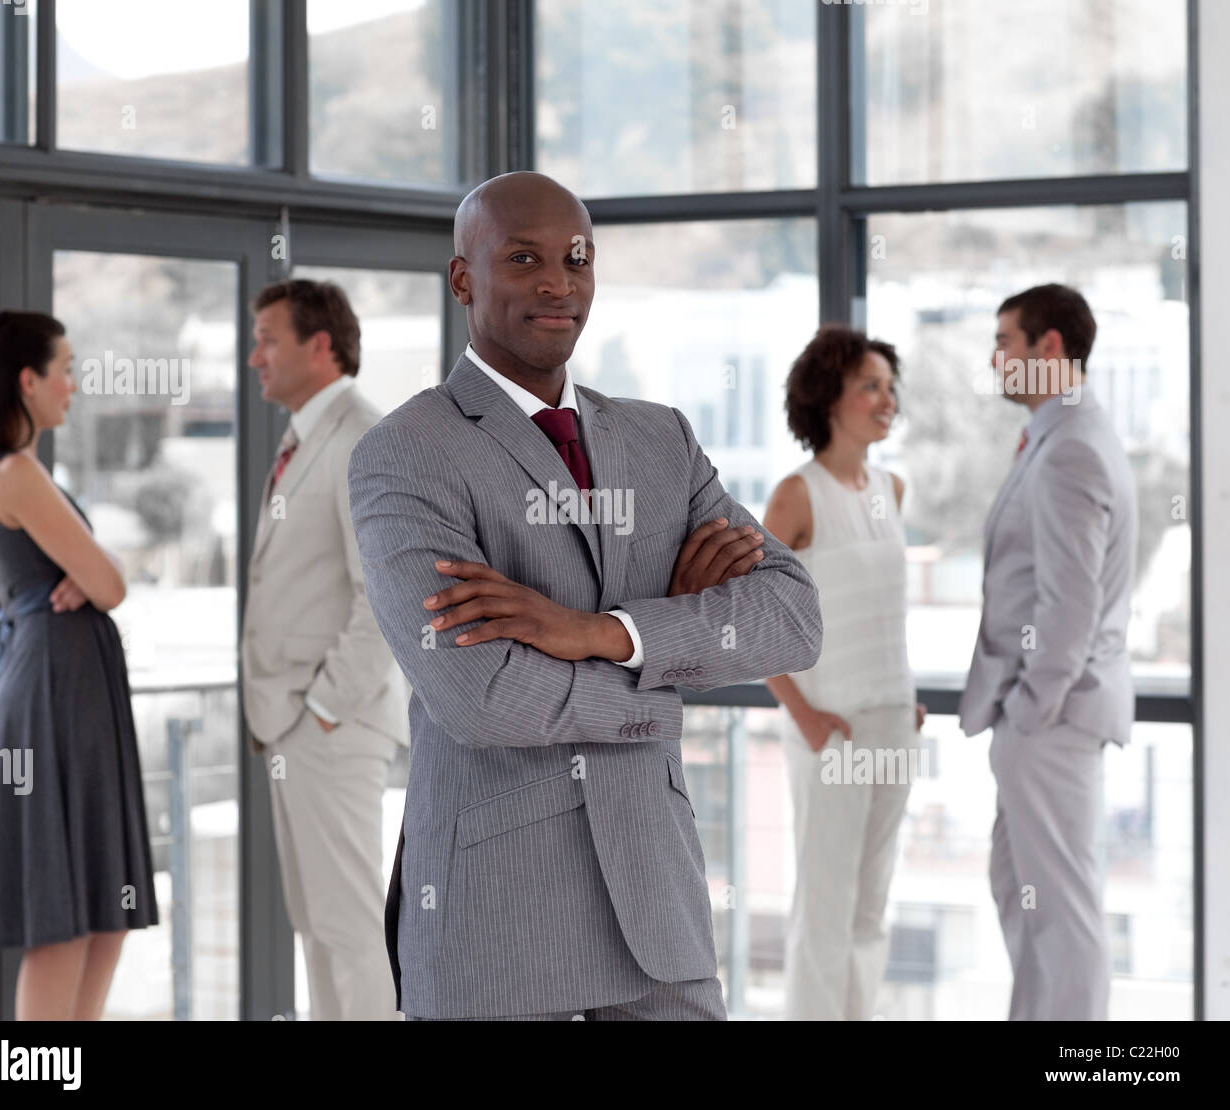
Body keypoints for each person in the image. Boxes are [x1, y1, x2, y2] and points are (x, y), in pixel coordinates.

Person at [347, 170, 823, 1021]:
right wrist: (663, 684)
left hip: (662, 927)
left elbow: (792, 616)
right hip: (499, 935)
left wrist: (601, 633)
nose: (557, 282)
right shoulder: (406, 452)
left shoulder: (660, 438)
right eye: (523, 257)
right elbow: (480, 696)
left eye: (577, 258)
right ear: (463, 278)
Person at [0, 309, 158, 1020]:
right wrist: (96, 575)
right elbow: (111, 585)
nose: (74, 383)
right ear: (27, 381)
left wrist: (94, 575)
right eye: (65, 369)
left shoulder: (13, 470)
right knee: (62, 913)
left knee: (101, 908)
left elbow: (99, 581)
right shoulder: (15, 472)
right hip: (54, 690)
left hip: (66, 684)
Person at [958, 283, 1137, 1021]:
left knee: (1062, 913)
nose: (996, 358)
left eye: (1006, 342)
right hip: (1043, 717)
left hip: (1052, 720)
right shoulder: (1060, 438)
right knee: (1024, 895)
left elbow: (1071, 604)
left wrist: (1030, 713)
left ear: (1050, 348)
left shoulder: (1072, 451)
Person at [241, 279, 408, 1020]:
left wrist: (325, 709)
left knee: (351, 927)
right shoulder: (303, 436)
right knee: (316, 926)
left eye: (268, 339)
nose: (255, 357)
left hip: (329, 726)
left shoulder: (360, 437)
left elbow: (385, 596)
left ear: (320, 344)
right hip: (292, 724)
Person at [763, 325, 925, 1021]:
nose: (886, 399)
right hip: (831, 732)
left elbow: (882, 611)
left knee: (870, 909)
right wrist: (802, 716)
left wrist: (904, 699)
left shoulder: (893, 487)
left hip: (893, 723)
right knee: (825, 913)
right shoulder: (797, 496)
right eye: (870, 386)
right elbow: (756, 619)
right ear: (829, 396)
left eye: (891, 387)